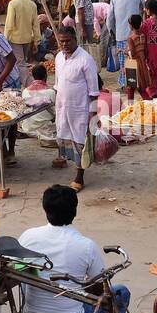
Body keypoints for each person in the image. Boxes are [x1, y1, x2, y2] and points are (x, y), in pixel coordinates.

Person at [18, 185, 131, 313]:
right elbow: (101, 289)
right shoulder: (85, 245)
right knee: (120, 293)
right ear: (75, 211)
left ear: (46, 210)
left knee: (30, 273)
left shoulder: (28, 236)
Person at [52, 27, 98, 191]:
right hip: (63, 107)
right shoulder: (58, 57)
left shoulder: (86, 60)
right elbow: (58, 84)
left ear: (75, 40)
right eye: (61, 41)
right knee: (65, 135)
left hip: (80, 109)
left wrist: (93, 114)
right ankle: (67, 161)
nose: (64, 44)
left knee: (80, 141)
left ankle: (80, 177)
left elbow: (93, 91)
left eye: (67, 41)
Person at [106, 0, 142, 80]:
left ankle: (124, 82)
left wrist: (112, 31)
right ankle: (136, 81)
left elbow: (110, 19)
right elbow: (143, 7)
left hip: (120, 34)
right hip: (135, 33)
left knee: (123, 62)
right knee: (136, 58)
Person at [4, 0, 40, 72]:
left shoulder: (13, 4)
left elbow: (9, 24)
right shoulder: (32, 4)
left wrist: (5, 38)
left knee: (20, 63)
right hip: (27, 38)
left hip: (15, 39)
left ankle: (22, 82)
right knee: (22, 61)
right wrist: (36, 40)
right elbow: (35, 24)